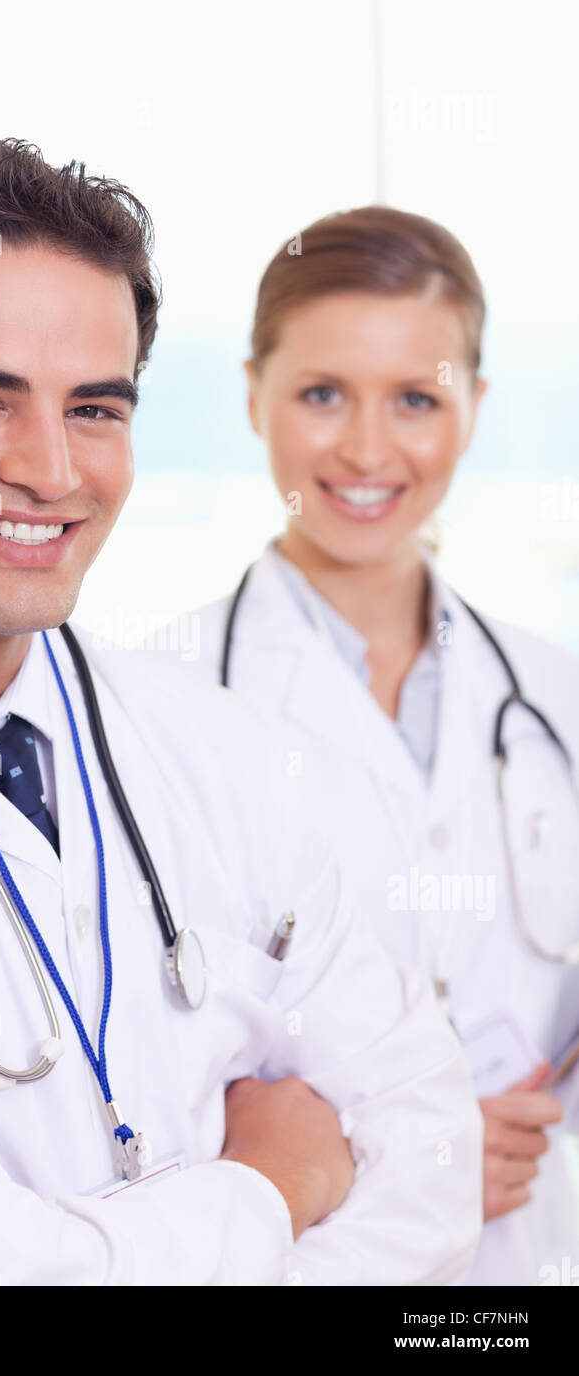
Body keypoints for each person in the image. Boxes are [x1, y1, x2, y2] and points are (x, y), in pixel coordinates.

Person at [0, 148, 481, 1286]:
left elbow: (423, 1142)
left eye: (94, 408)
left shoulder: (217, 746)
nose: (50, 468)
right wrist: (268, 1185)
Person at [176, 206, 579, 1286]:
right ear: (252, 392)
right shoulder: (162, 700)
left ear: (473, 406)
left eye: (414, 398)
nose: (364, 448)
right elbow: (127, 1077)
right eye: (320, 394)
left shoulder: (551, 695)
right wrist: (415, 1151)